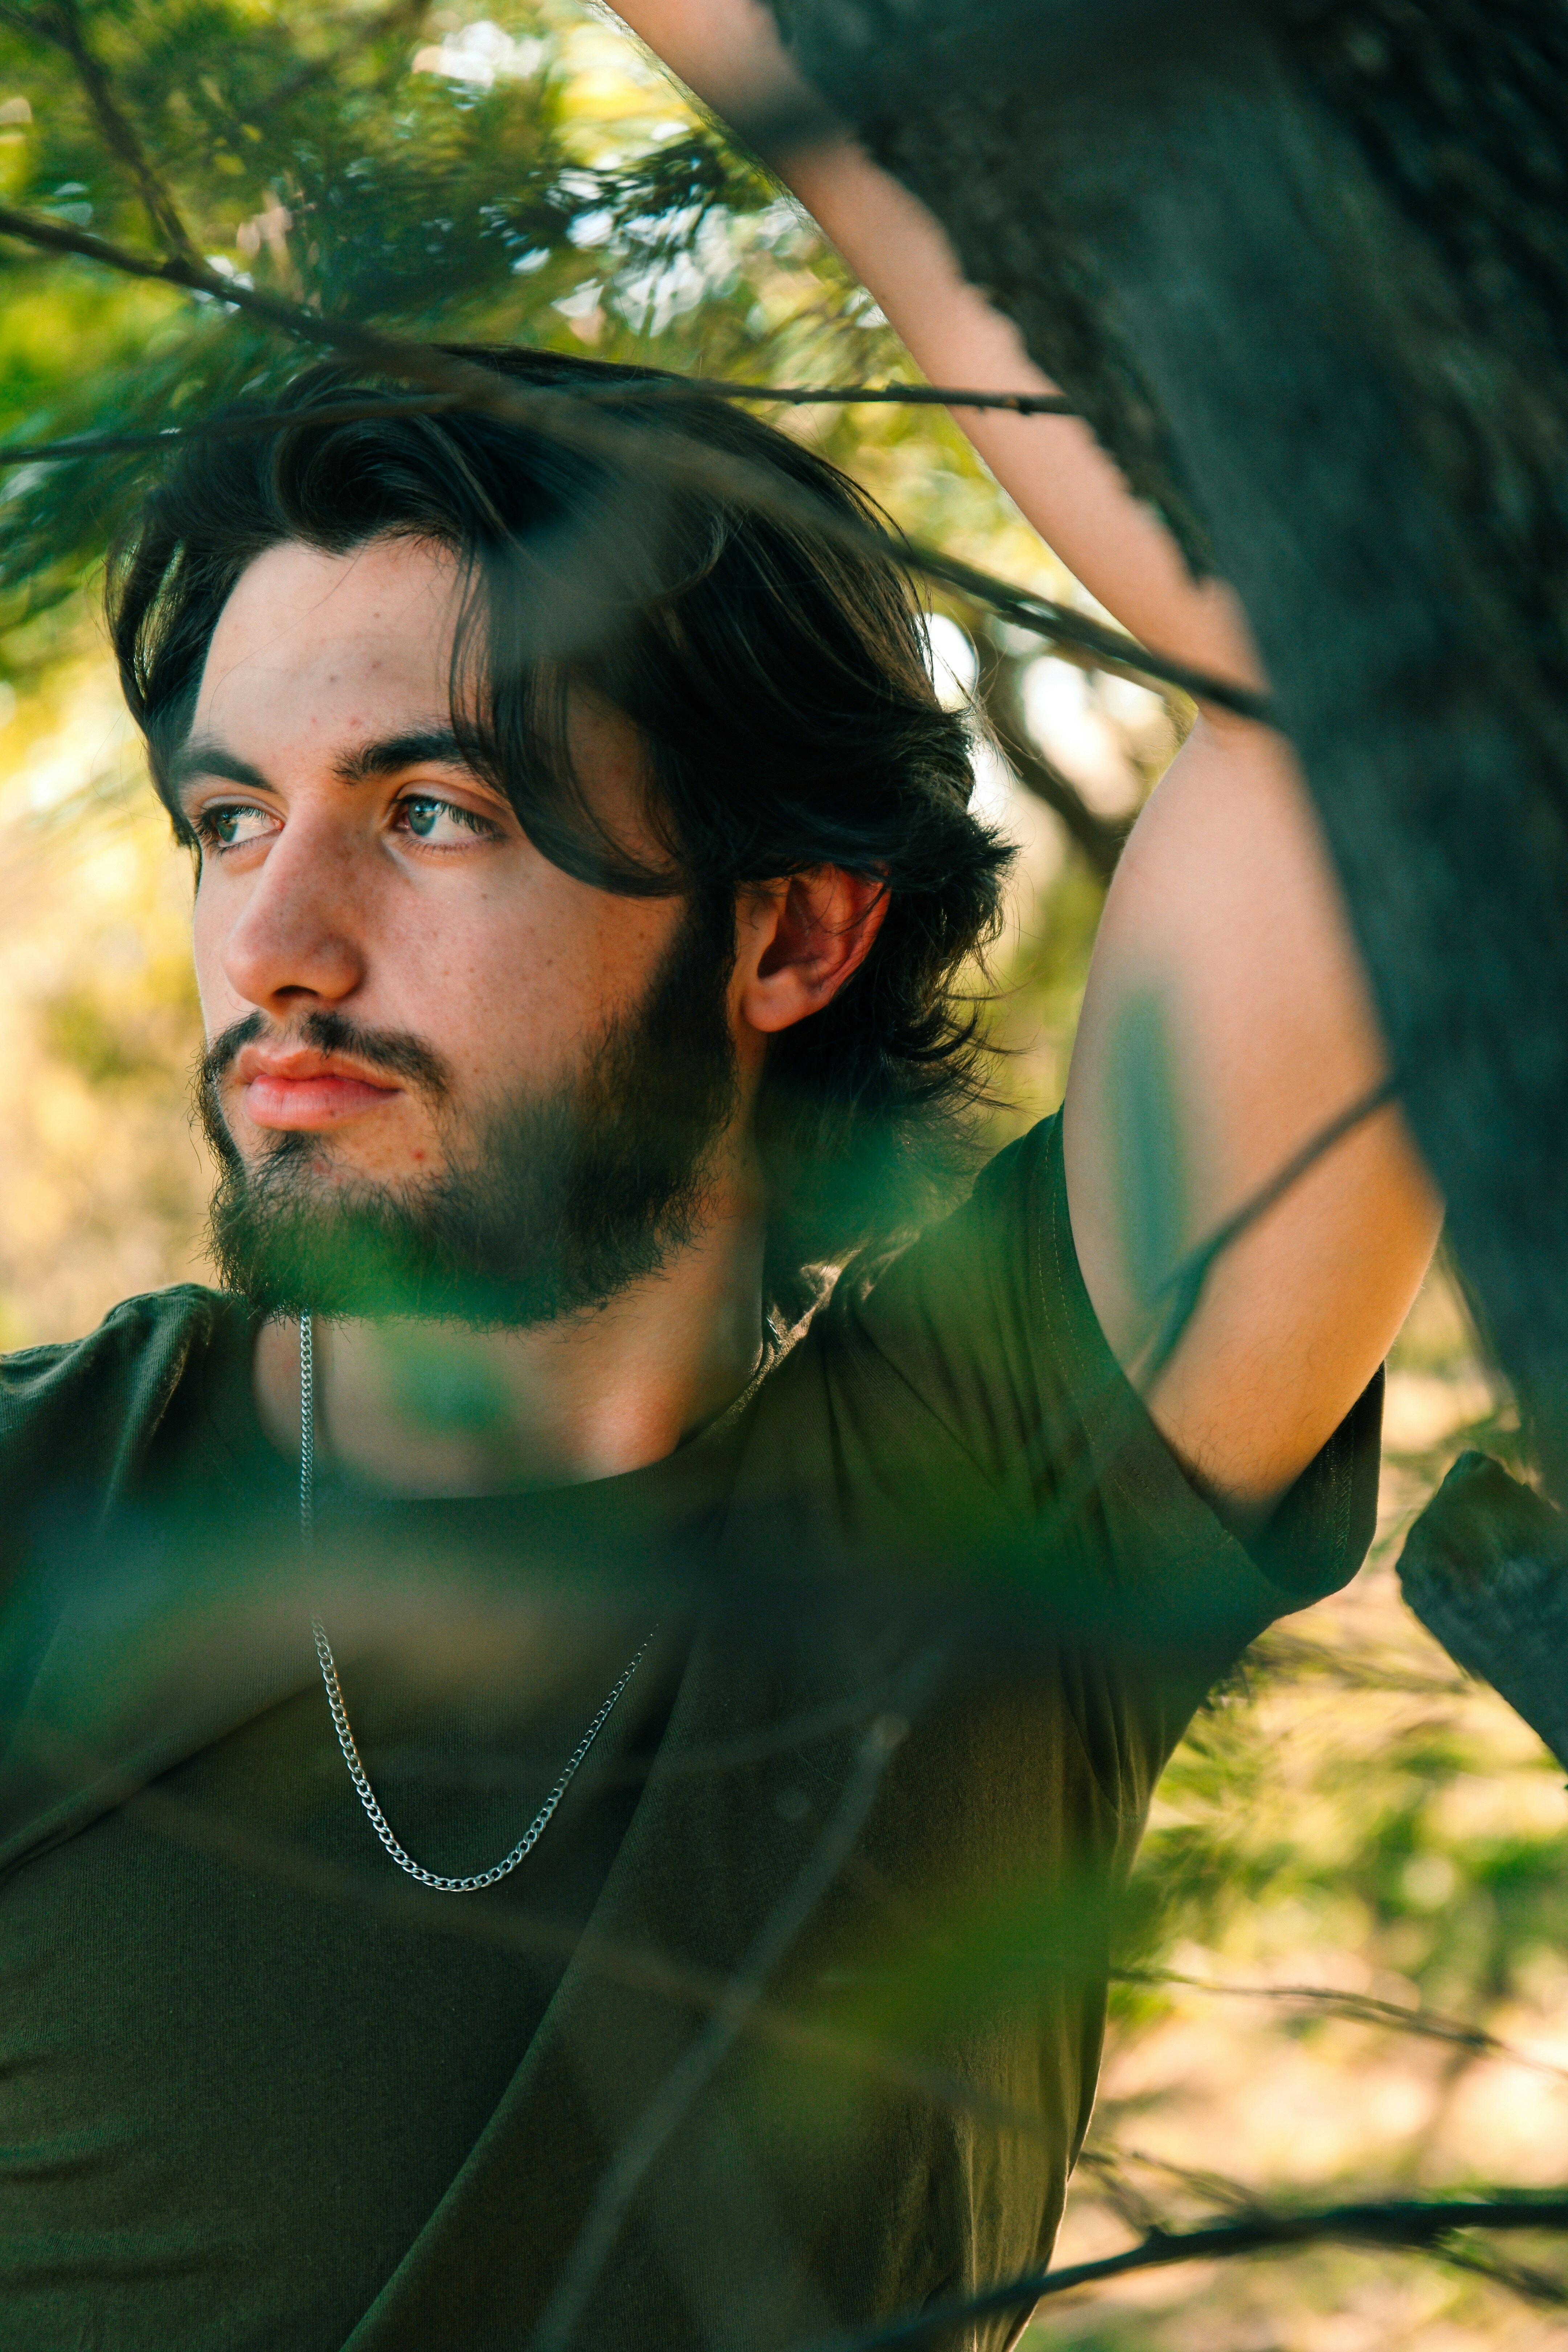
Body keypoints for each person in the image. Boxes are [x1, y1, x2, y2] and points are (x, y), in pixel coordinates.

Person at [0, 25, 1438, 2348]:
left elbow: (1367, 647)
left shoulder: (1012, 1499)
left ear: (790, 929)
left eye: (433, 810)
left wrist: (779, 54)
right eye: (230, 819)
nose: (274, 946)